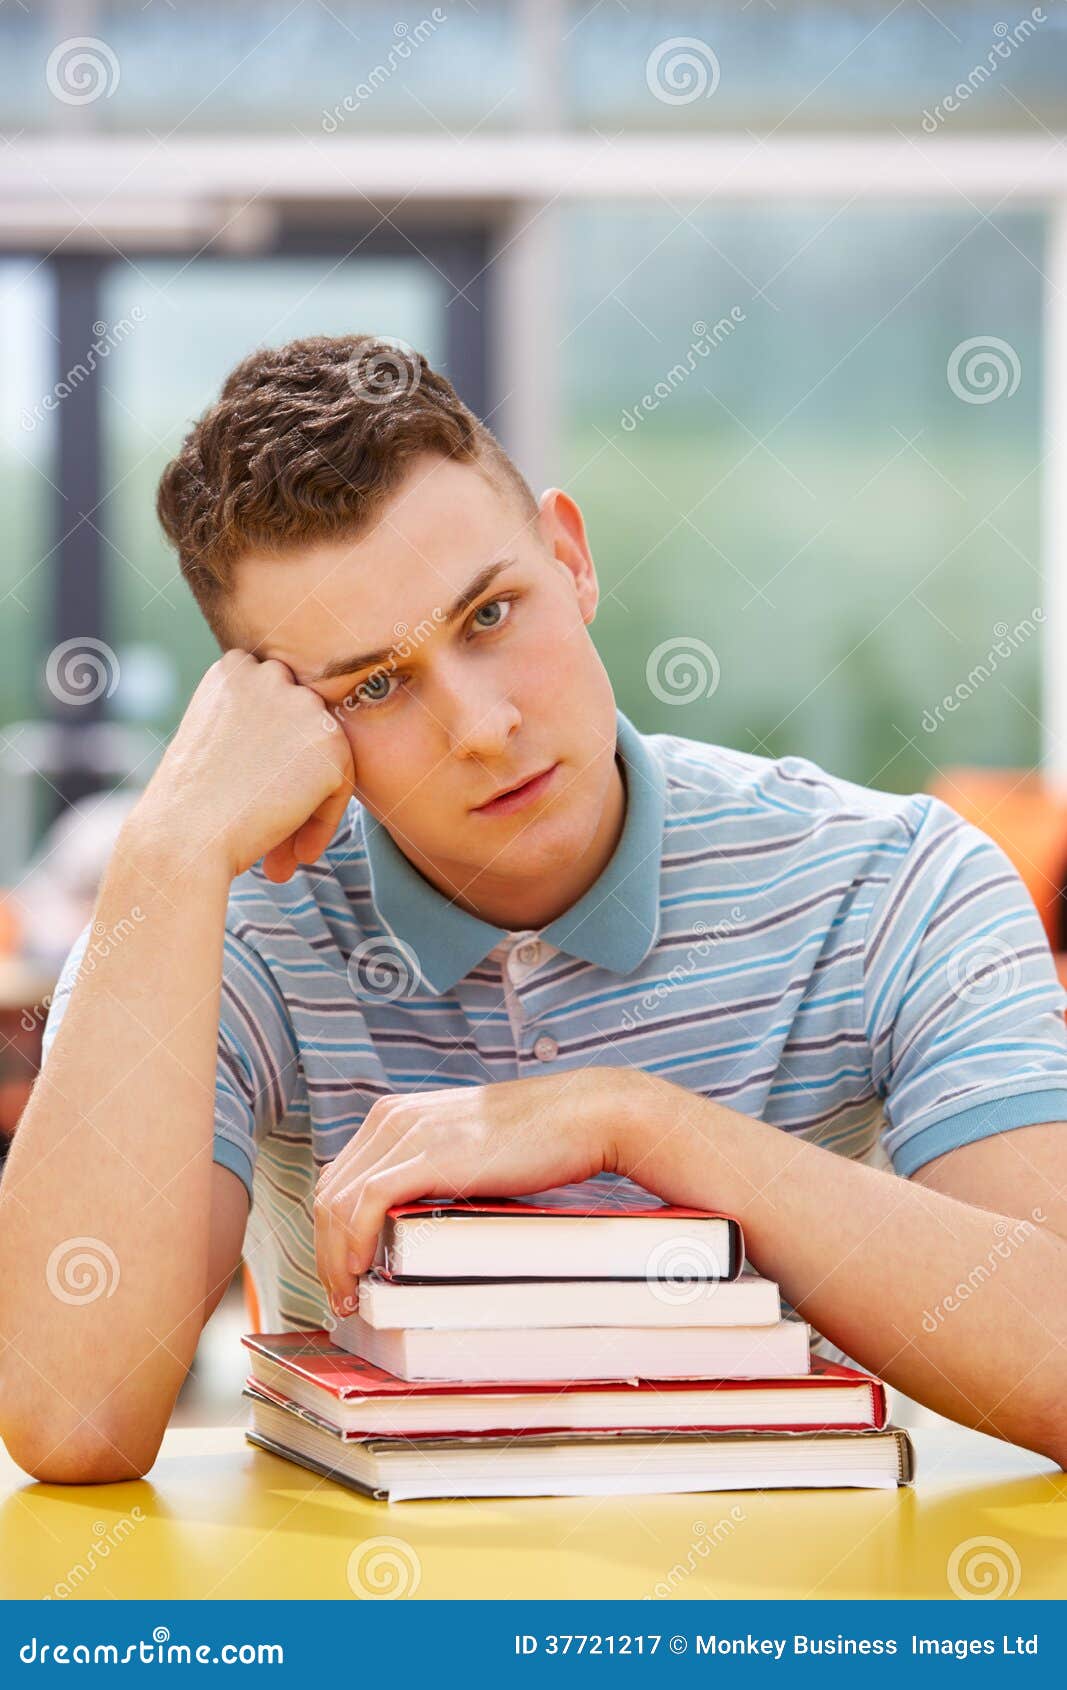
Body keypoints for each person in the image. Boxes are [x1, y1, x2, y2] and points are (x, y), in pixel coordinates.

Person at [2, 334, 1066, 1484]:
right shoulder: (238, 927)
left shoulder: (894, 880)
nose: (479, 727)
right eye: (373, 685)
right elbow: (72, 1417)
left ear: (569, 555)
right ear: (278, 718)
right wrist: (164, 846)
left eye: (491, 615)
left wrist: (632, 1120)